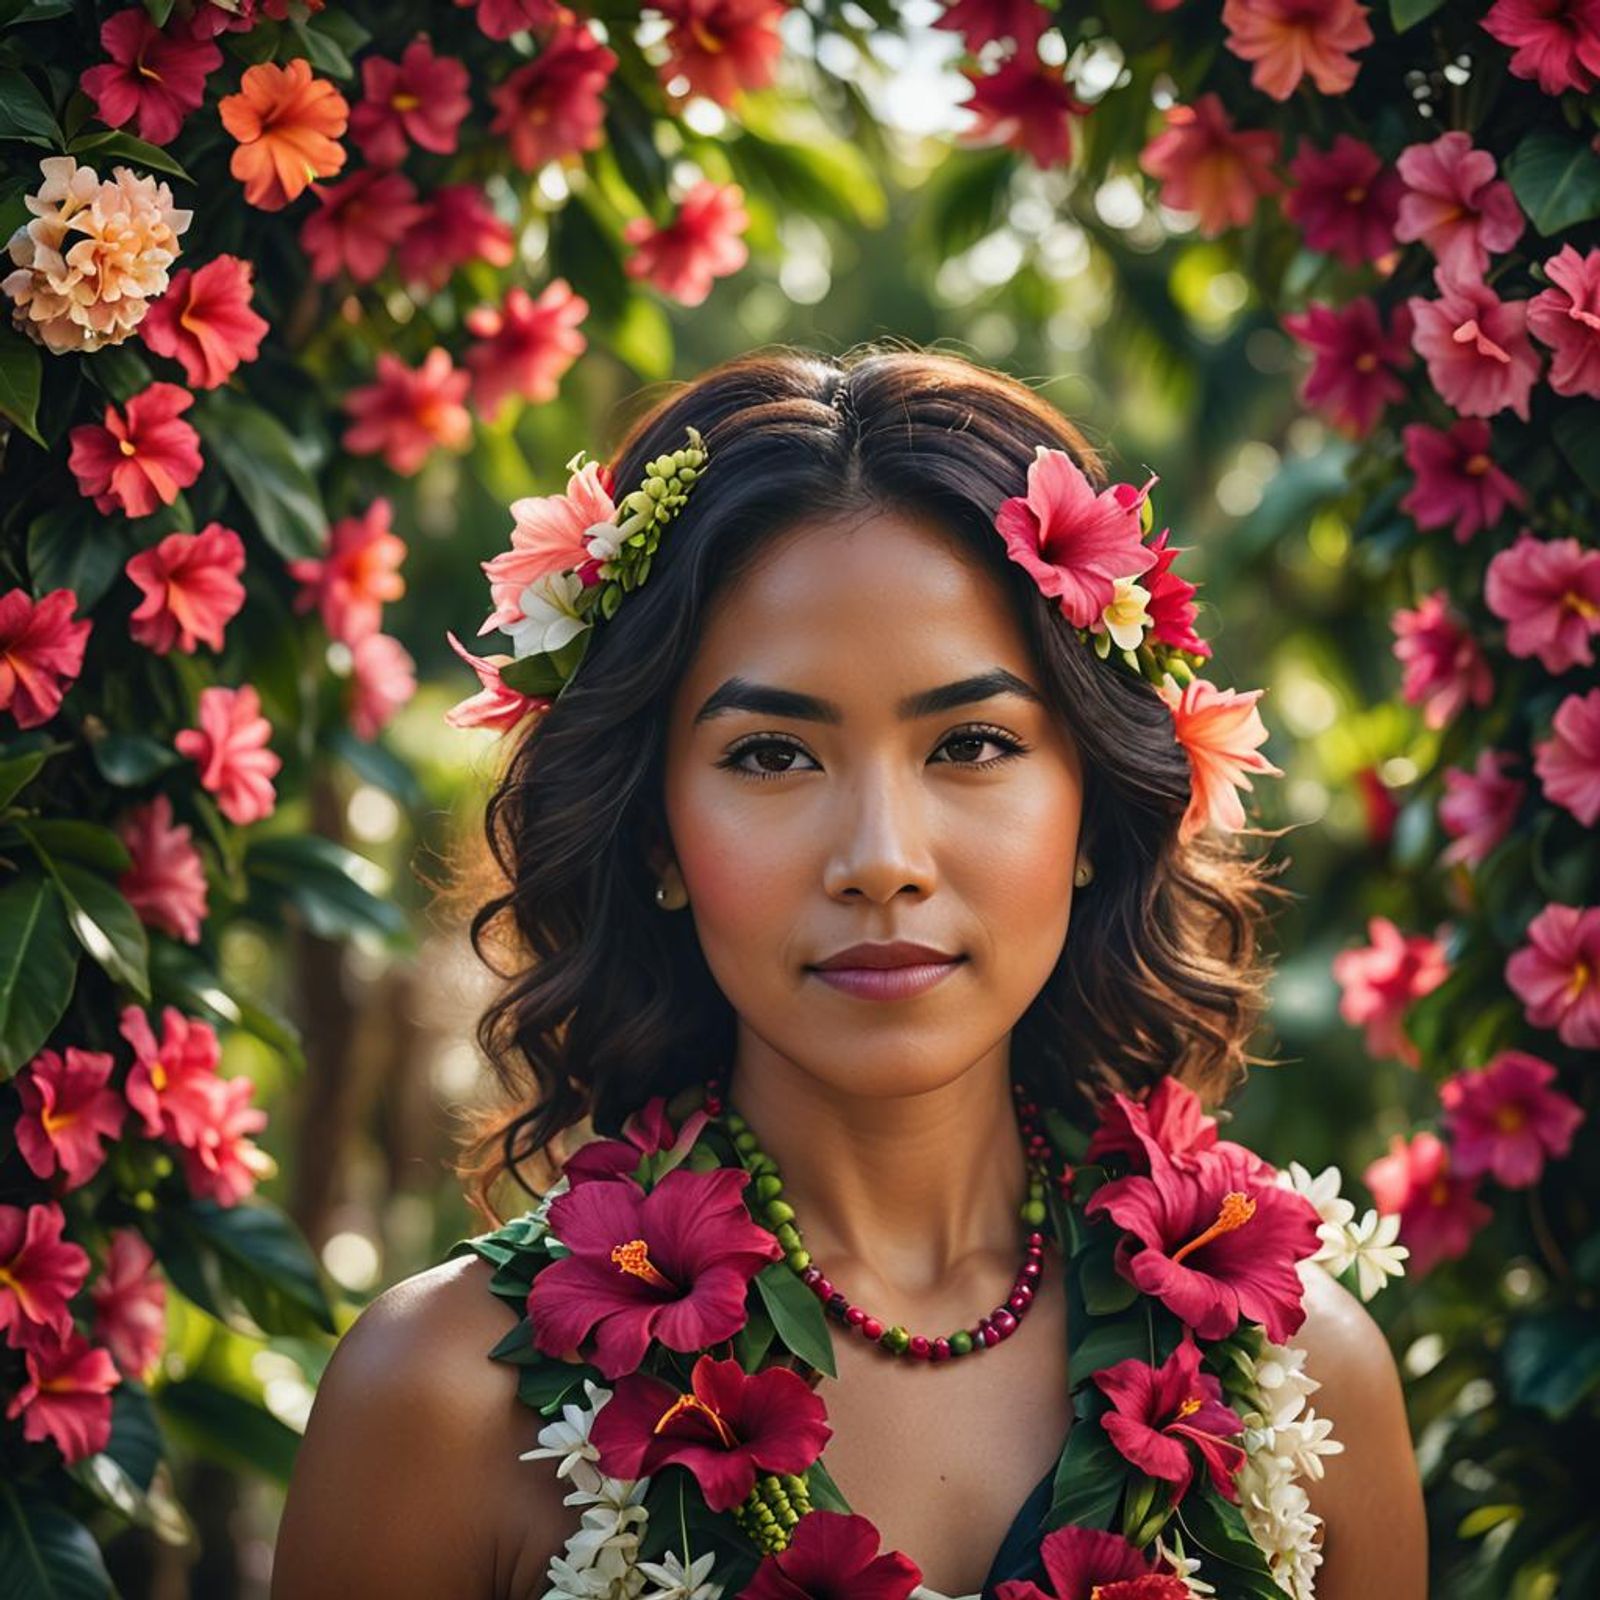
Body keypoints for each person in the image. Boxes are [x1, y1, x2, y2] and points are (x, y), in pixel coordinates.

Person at [272, 345, 1427, 1600]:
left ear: (1093, 806)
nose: (881, 860)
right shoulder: (443, 1406)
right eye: (772, 755)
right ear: (655, 833)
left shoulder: (1301, 1380)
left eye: (970, 743)